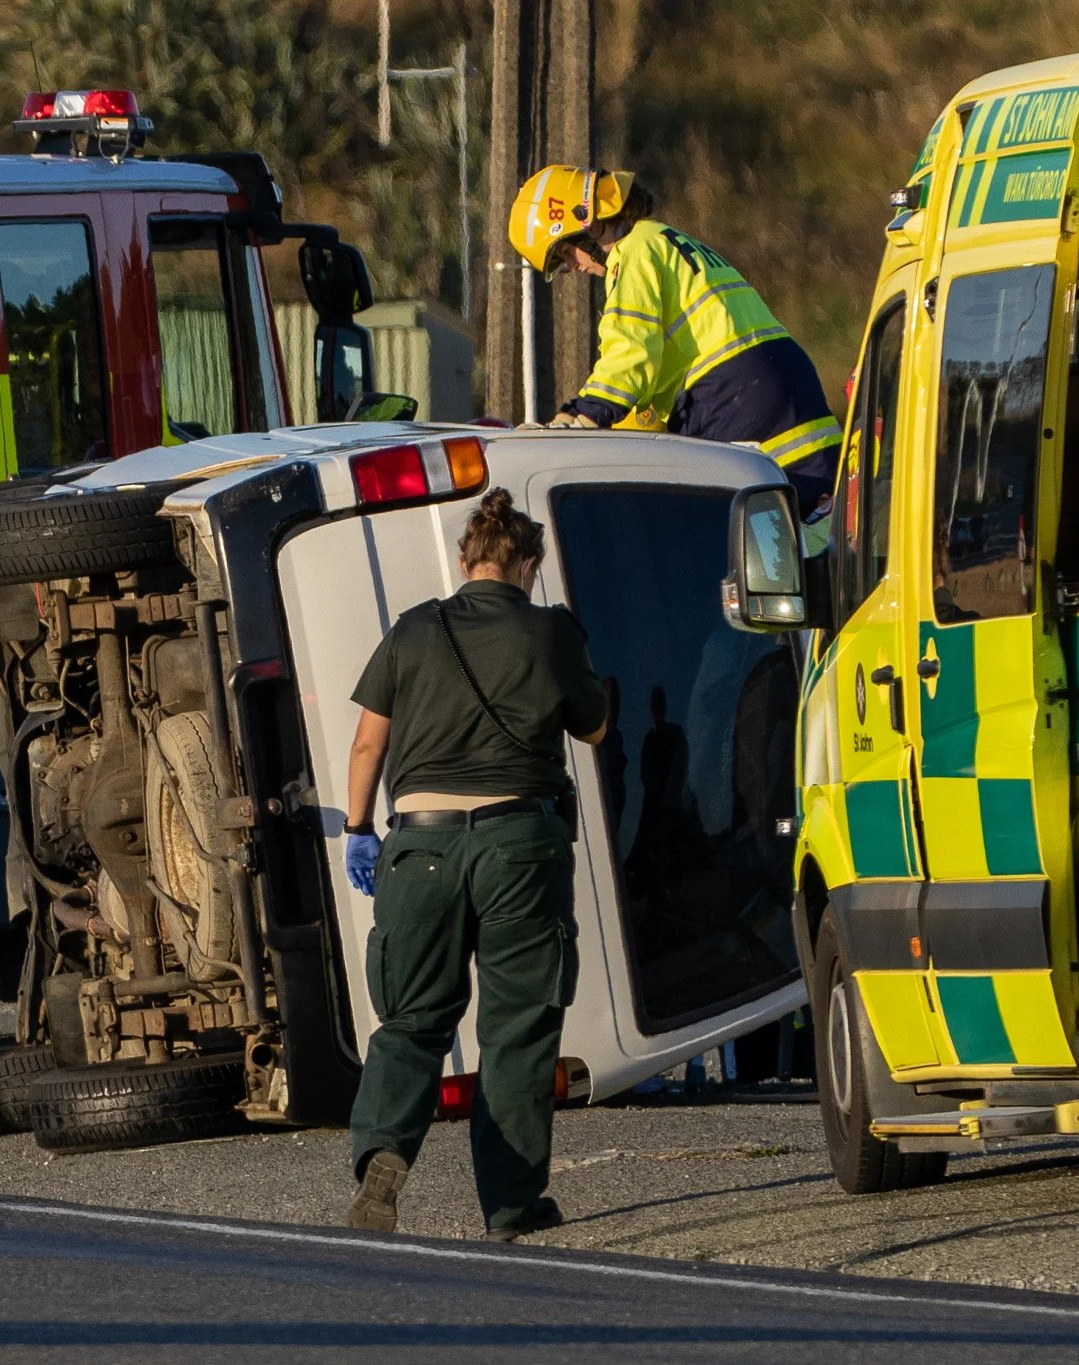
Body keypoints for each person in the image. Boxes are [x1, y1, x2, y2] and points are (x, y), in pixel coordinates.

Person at [340, 487, 609, 1242]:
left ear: (465, 561)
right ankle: (511, 1205)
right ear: (527, 564)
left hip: (420, 843)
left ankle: (384, 1158)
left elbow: (368, 744)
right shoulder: (551, 631)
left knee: (412, 1019)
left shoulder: (415, 629)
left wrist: (360, 828)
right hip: (519, 841)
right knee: (519, 1027)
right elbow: (594, 725)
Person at [507, 164, 841, 516]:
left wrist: (579, 420)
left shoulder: (633, 254)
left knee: (744, 541)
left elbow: (631, 353)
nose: (572, 267)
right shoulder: (667, 240)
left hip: (731, 398)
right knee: (819, 529)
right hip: (785, 386)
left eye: (564, 254)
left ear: (587, 223)